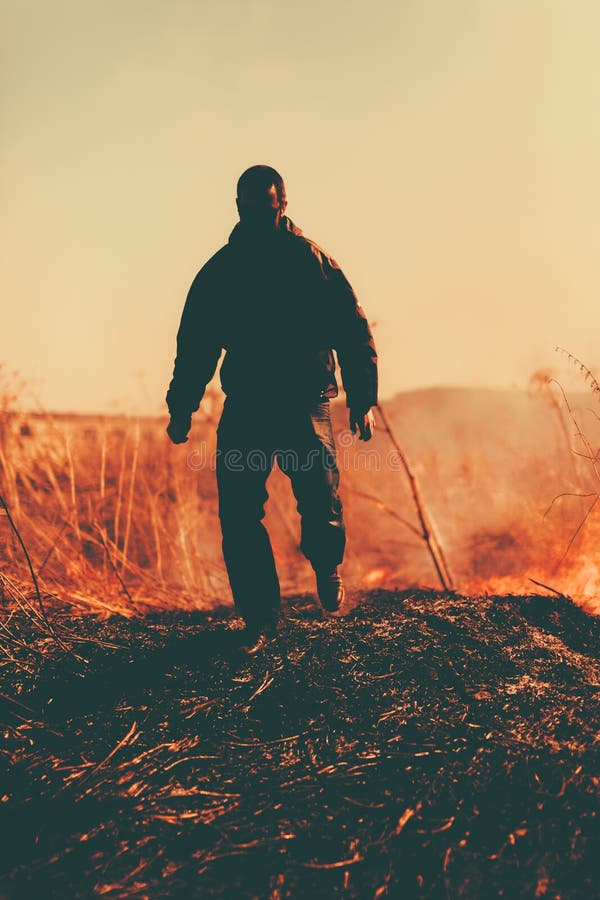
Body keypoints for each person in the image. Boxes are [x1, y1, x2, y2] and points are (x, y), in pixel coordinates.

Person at [166, 165, 378, 654]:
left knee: (320, 499)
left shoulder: (312, 262)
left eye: (268, 203)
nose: (259, 212)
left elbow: (353, 330)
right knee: (239, 517)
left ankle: (327, 566)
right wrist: (182, 407)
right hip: (247, 408)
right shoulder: (221, 271)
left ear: (283, 203)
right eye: (249, 204)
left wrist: (363, 400)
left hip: (306, 403)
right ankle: (260, 622)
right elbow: (196, 345)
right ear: (237, 207)